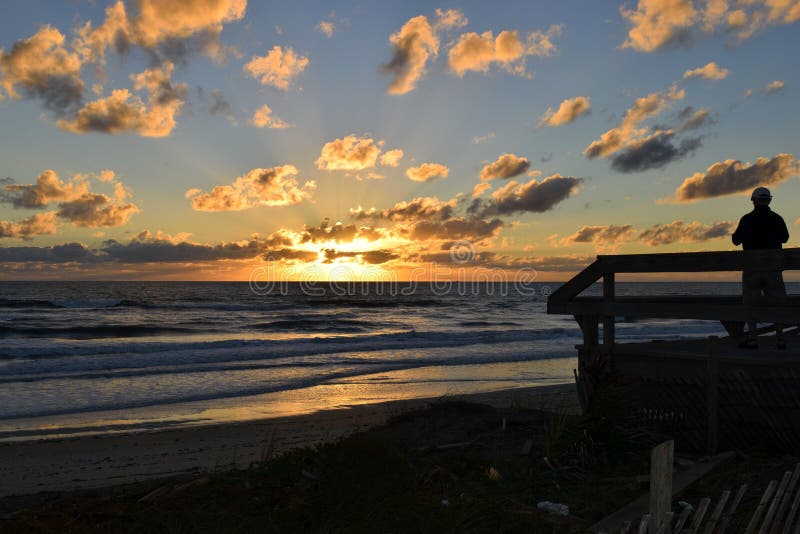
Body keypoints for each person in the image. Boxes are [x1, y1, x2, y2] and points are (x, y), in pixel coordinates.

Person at [731, 186, 789, 349]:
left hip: (752, 269)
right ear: (769, 200)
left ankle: (753, 338)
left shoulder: (747, 219)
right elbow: (785, 238)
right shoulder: (777, 218)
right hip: (773, 268)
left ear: (754, 201)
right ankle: (780, 338)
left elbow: (736, 240)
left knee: (751, 304)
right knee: (777, 304)